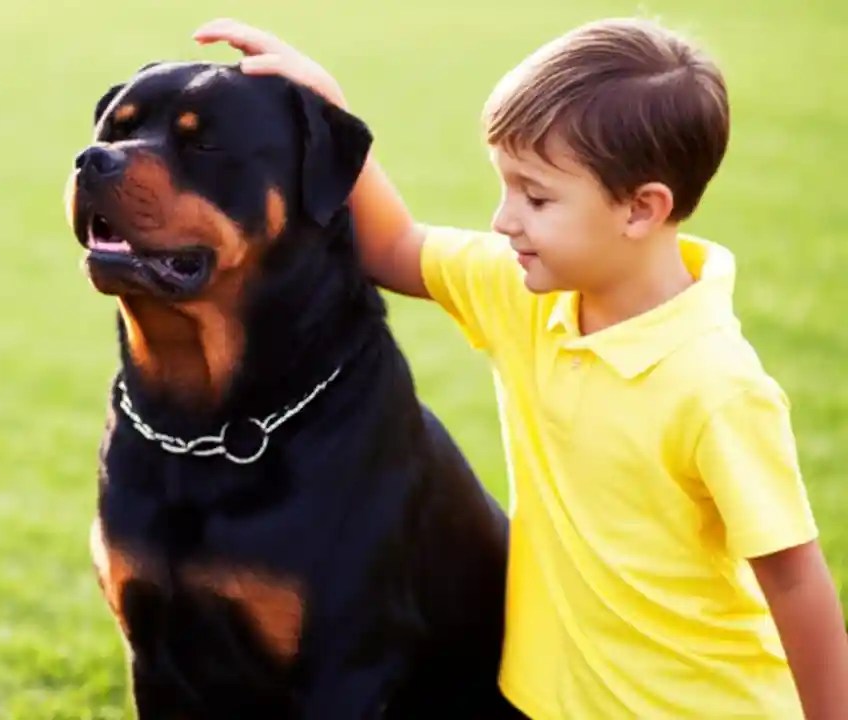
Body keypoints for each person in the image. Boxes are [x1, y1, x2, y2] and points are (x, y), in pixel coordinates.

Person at [193, 16, 848, 718]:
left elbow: (793, 580)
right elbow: (394, 248)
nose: (504, 220)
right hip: (546, 701)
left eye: (536, 197)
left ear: (641, 209)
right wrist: (327, 105)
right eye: (505, 186)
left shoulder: (718, 387)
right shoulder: (526, 293)